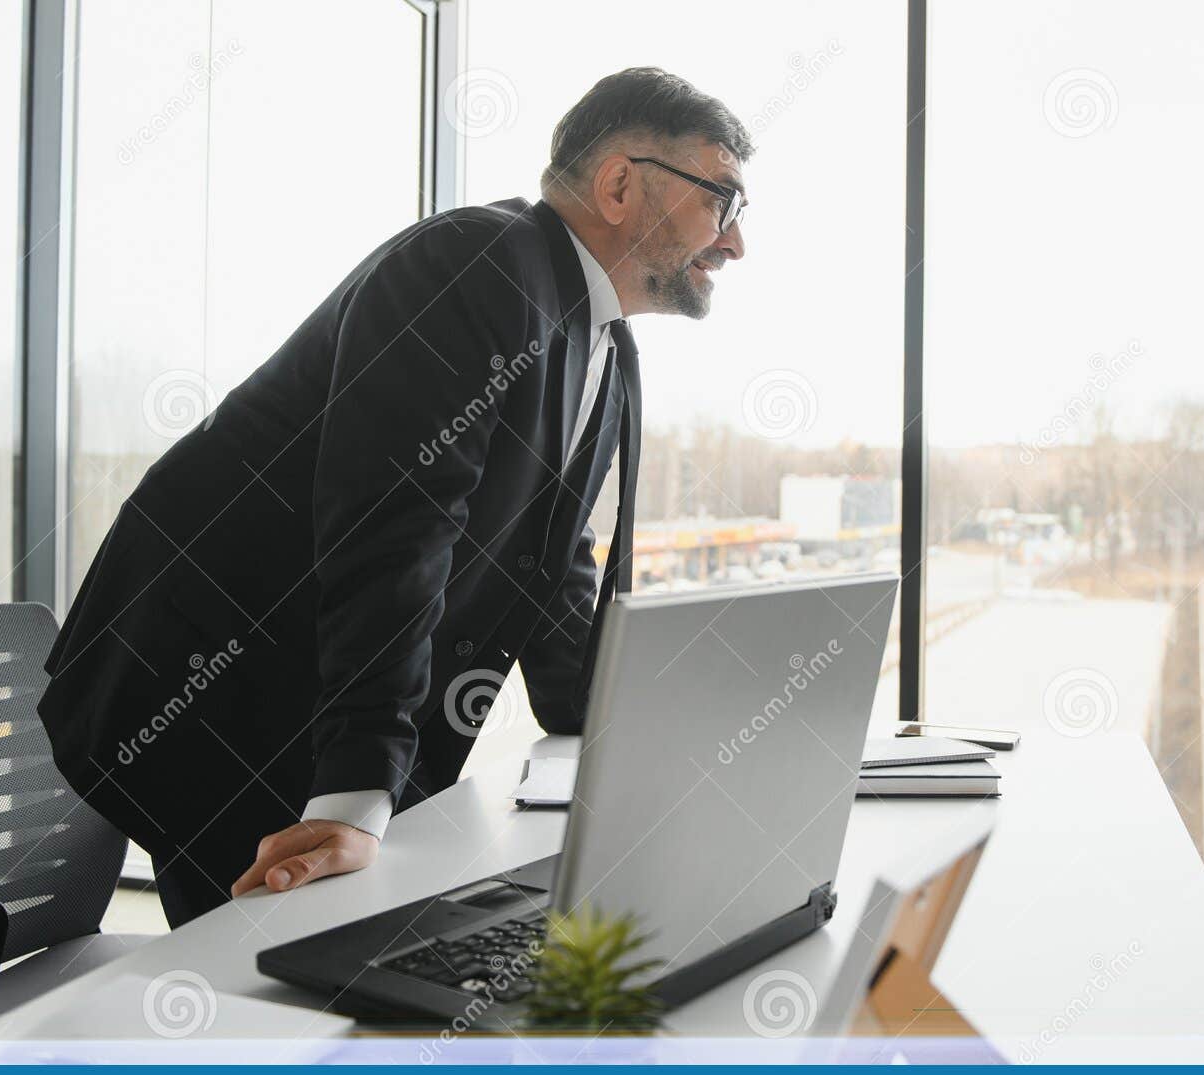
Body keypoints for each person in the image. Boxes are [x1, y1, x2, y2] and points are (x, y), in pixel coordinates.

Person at [38, 67, 751, 928]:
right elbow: (394, 530)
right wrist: (354, 793)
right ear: (618, 183)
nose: (735, 243)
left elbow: (550, 563)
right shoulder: (476, 266)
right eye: (724, 201)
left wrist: (606, 730)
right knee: (276, 1001)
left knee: (334, 986)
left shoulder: (604, 348)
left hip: (307, 708)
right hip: (215, 700)